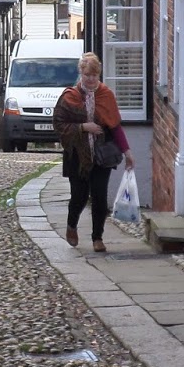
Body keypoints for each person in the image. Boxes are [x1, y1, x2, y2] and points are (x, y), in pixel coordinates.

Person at [55, 51, 135, 253]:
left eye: (94, 75)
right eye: (87, 75)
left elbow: (115, 125)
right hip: (77, 156)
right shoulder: (69, 97)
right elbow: (59, 124)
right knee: (79, 197)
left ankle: (97, 237)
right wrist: (83, 127)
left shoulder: (106, 95)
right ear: (81, 74)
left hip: (101, 154)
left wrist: (127, 152)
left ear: (99, 75)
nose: (91, 79)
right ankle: (71, 225)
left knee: (99, 196)